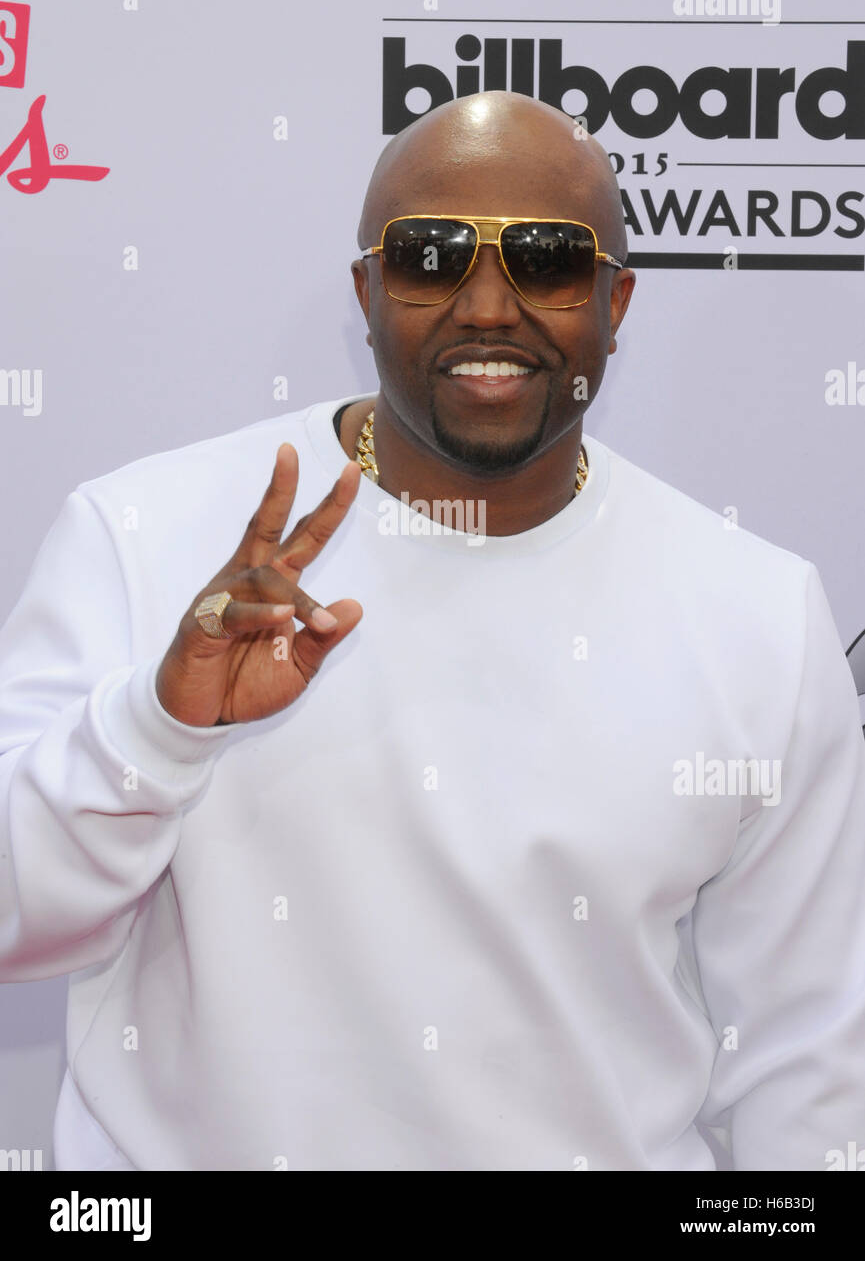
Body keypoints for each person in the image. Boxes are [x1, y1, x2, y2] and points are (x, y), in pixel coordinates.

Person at [0, 91, 863, 1172]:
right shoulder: (142, 534)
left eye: (547, 259)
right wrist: (159, 723)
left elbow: (808, 1057)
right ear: (367, 292)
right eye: (430, 256)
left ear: (615, 300)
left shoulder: (759, 614)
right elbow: (13, 918)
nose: (489, 306)